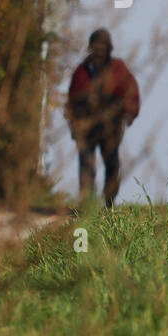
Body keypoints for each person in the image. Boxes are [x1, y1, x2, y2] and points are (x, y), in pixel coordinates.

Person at [64, 28, 140, 208]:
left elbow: (131, 92)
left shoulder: (118, 69)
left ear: (108, 48)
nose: (98, 50)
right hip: (87, 126)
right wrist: (74, 125)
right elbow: (72, 99)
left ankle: (108, 203)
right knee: (86, 166)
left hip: (110, 127)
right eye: (95, 46)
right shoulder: (81, 72)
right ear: (90, 47)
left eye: (102, 46)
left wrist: (130, 112)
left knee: (112, 164)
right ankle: (87, 204)